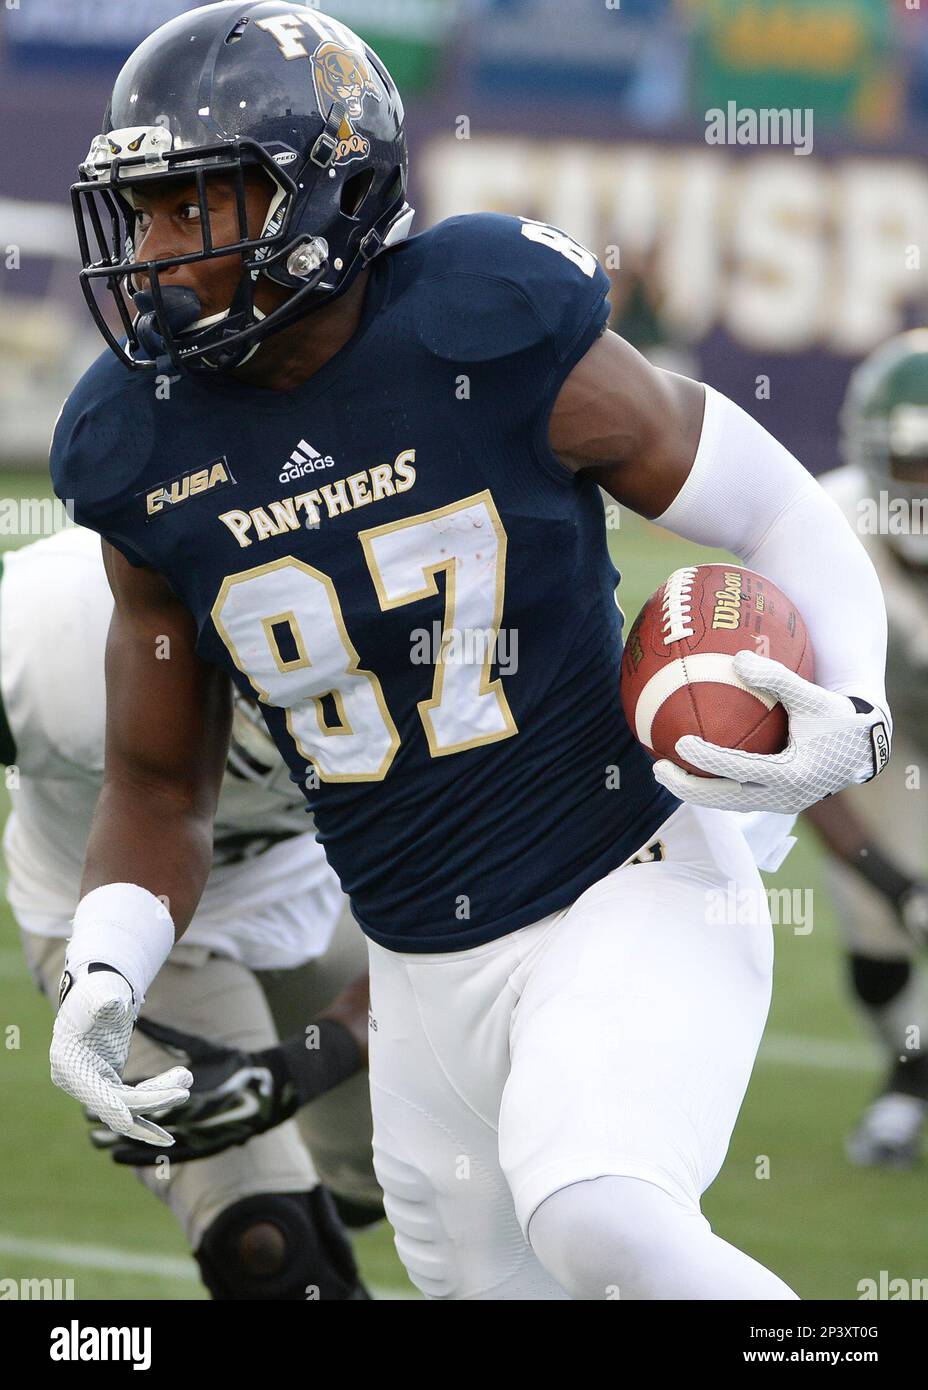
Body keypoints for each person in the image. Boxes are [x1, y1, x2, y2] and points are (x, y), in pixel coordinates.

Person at [50, 2, 890, 1299]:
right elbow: (160, 784)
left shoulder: (482, 322)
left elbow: (775, 508)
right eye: (145, 213)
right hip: (417, 968)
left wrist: (857, 701)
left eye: (196, 206)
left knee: (602, 1214)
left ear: (323, 192)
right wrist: (107, 970)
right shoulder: (138, 441)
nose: (156, 255)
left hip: (627, 877)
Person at [4, 524, 378, 1299]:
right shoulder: (44, 636)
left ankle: (338, 1186)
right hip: (119, 919)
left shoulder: (448, 671)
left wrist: (309, 1064)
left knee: (412, 1183)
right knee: (269, 1249)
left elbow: (490, 915)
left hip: (336, 887)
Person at [804, 330, 928, 1168]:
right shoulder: (823, 527)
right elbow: (787, 738)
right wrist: (894, 880)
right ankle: (912, 1069)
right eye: (913, 463)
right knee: (882, 944)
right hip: (878, 740)